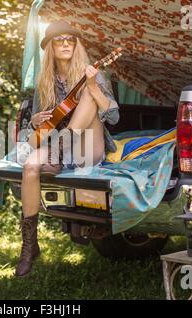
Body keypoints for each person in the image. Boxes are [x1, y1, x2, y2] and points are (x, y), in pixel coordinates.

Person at [15, 20, 120, 277]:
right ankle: (29, 246)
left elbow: (114, 117)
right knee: (30, 167)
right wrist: (37, 119)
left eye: (70, 40)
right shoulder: (45, 81)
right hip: (55, 145)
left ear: (76, 45)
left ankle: (61, 150)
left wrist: (93, 87)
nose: (65, 44)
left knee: (87, 95)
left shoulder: (93, 74)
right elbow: (39, 126)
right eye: (59, 40)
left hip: (88, 146)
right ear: (50, 47)